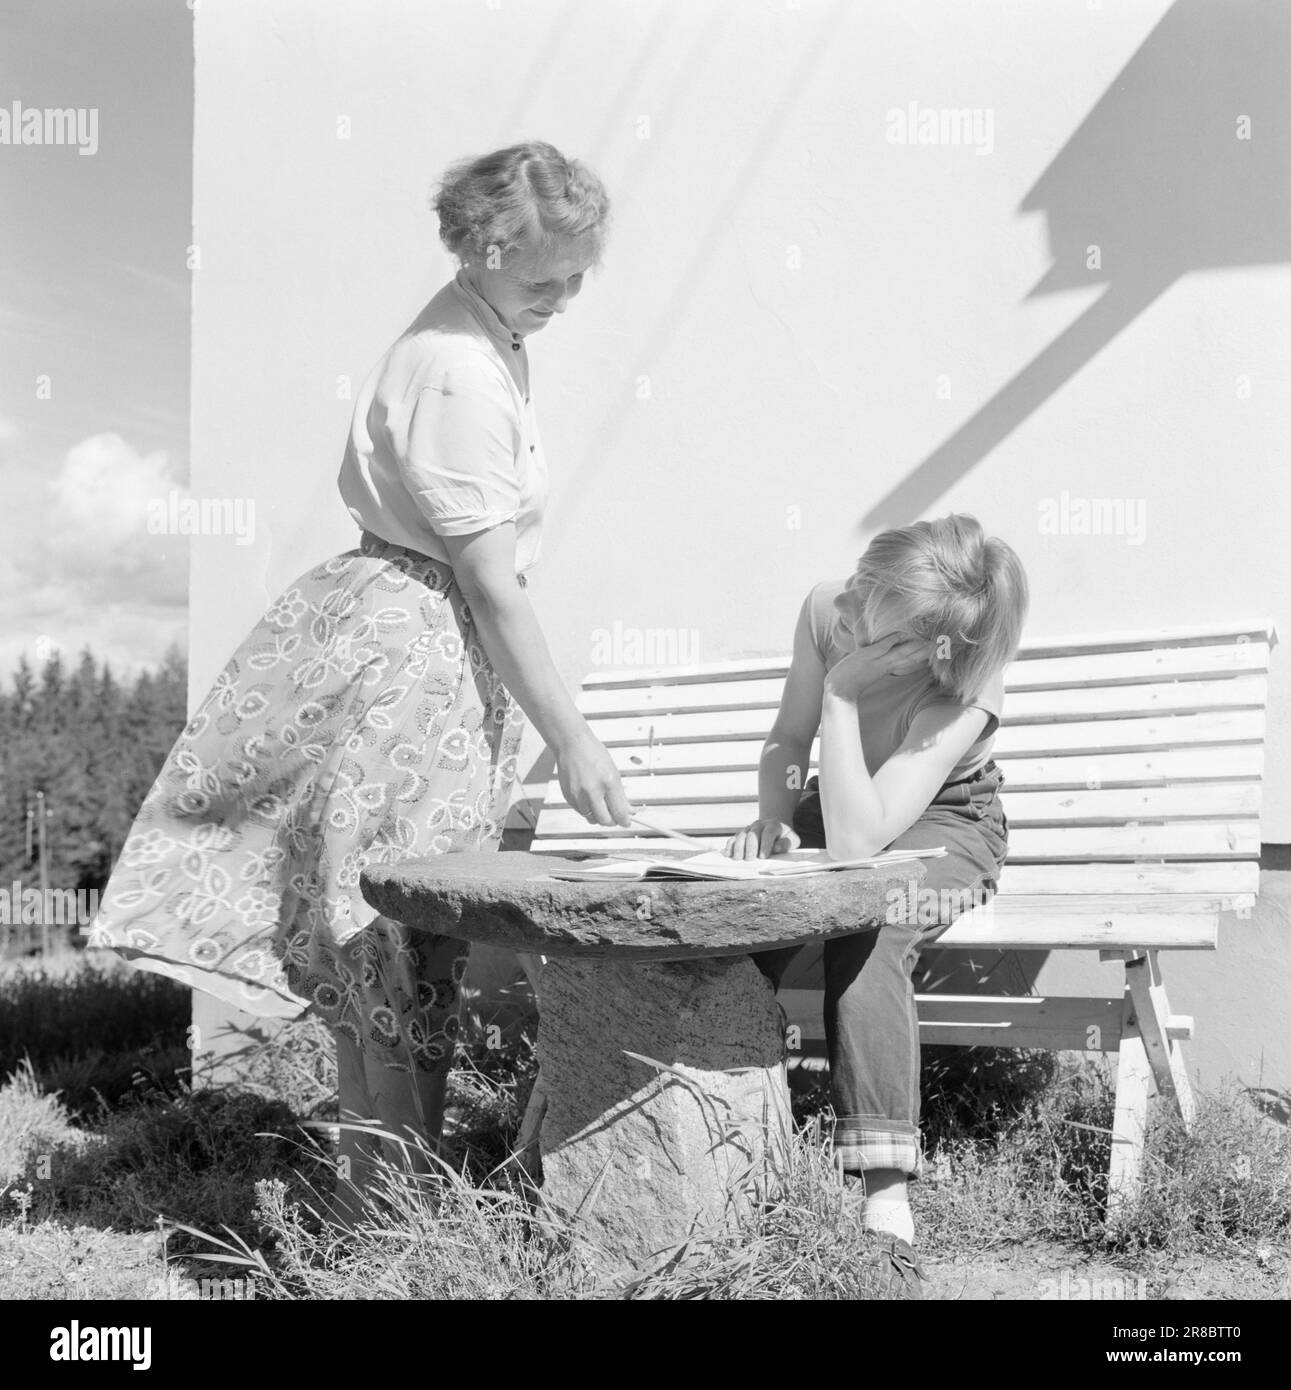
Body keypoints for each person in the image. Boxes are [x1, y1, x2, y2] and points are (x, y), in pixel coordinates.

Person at [87, 141, 632, 1213]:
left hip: (416, 642)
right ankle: (390, 1205)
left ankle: (376, 1194)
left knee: (393, 927)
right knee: (391, 927)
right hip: (412, 659)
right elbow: (492, 584)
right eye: (546, 275)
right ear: (484, 248)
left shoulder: (487, 329)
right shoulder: (459, 371)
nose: (566, 296)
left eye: (579, 274)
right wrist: (572, 737)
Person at [725, 514, 1028, 1256]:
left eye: (870, 607)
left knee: (874, 919)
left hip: (947, 823)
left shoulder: (964, 686)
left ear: (930, 647)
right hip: (847, 798)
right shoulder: (832, 606)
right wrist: (772, 820)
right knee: (734, 914)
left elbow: (863, 844)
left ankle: (883, 1190)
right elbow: (788, 742)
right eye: (861, 582)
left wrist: (841, 693)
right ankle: (718, 1134)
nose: (849, 607)